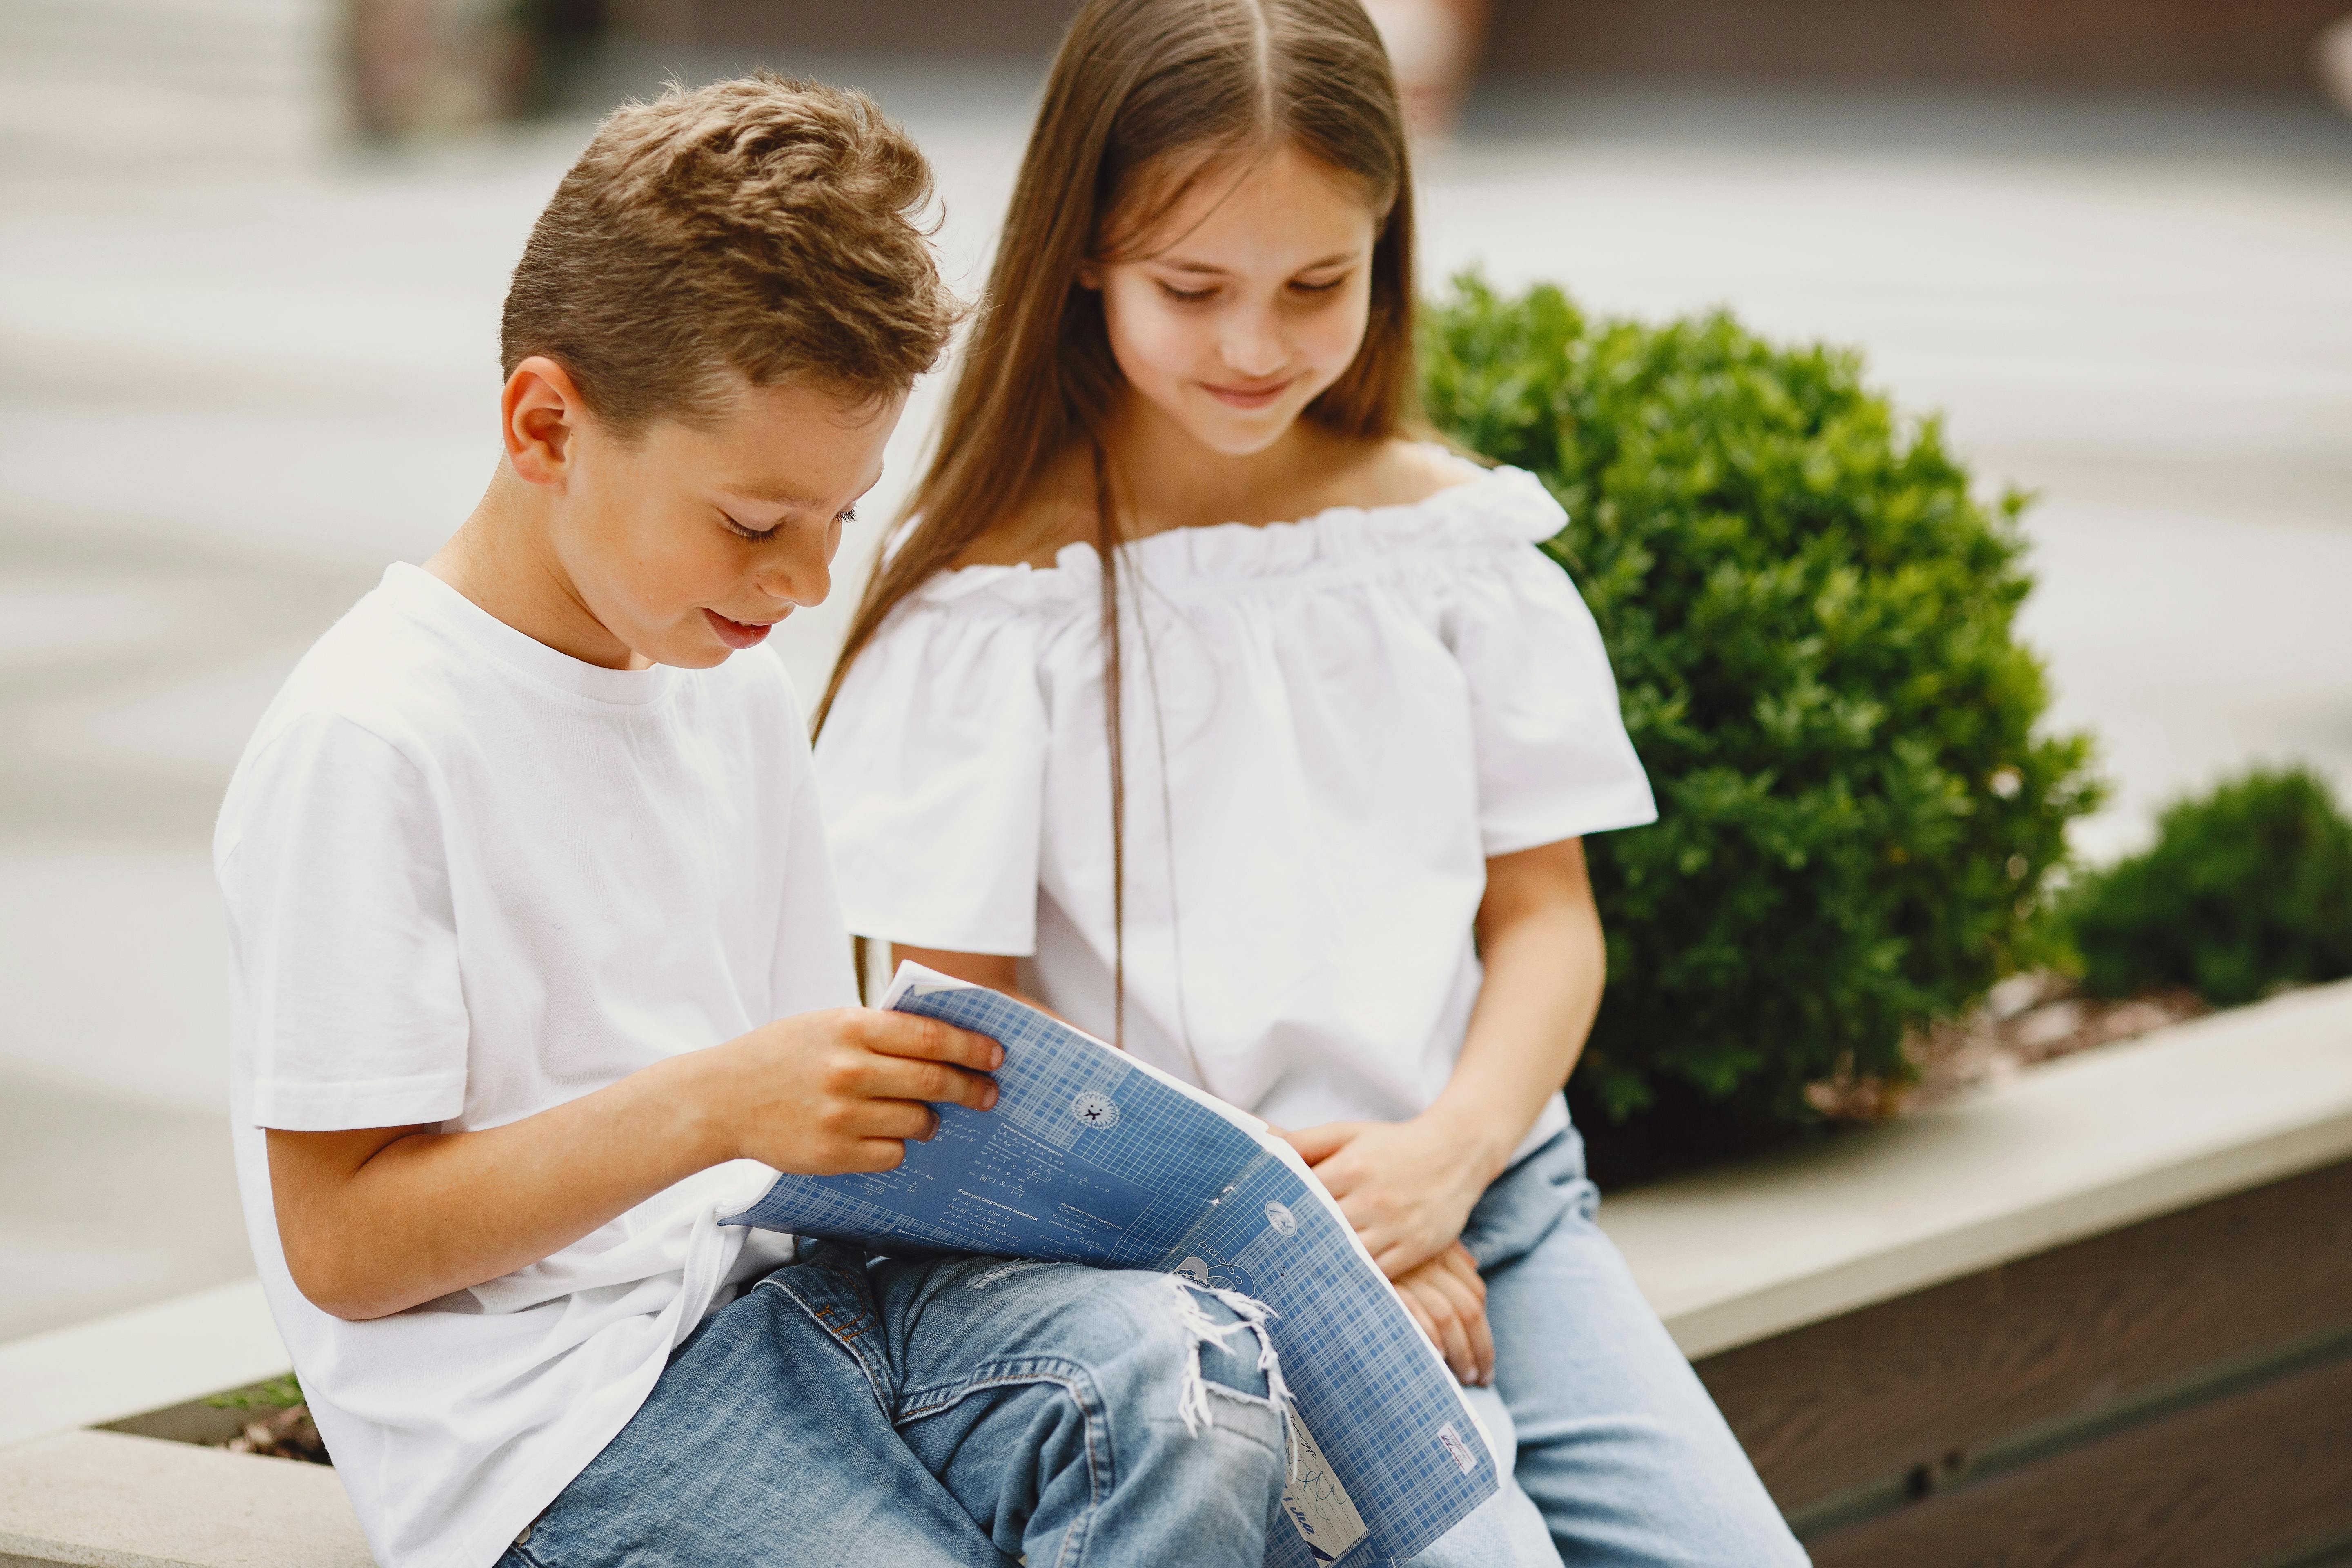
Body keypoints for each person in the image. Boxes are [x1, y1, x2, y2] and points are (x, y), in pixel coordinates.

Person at [216, 74, 1301, 1568]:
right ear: (547, 423)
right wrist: (718, 1105)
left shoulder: (718, 681)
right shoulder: (374, 738)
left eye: (840, 519)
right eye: (752, 522)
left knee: (1194, 1389)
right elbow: (340, 1246)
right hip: (557, 1424)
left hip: (791, 1309)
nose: (802, 584)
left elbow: (796, 1138)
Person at [811, 2, 1811, 1564]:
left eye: (1316, 284)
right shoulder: (990, 608)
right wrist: (1319, 1242)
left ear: (1387, 244)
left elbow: (1548, 921)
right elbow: (978, 1047)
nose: (1257, 345)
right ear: (1084, 251)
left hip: (1489, 1198)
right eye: (1192, 288)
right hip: (1181, 1262)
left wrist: (1452, 1160)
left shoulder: (1450, 548)